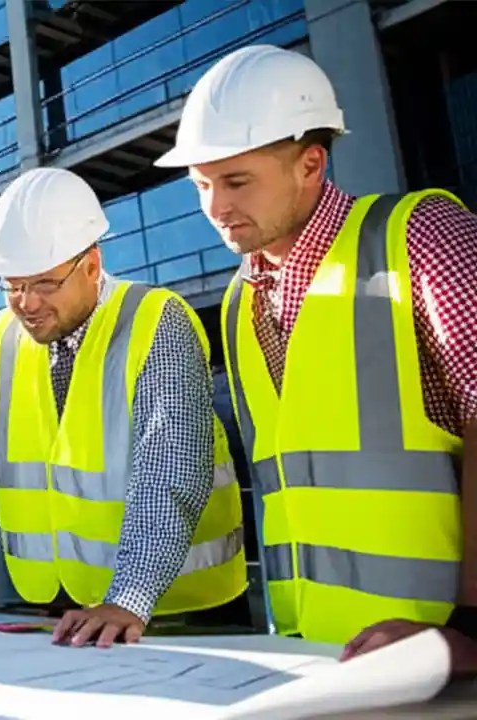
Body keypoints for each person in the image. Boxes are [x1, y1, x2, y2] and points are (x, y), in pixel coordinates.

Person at [151, 43, 477, 659]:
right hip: (311, 658)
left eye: (237, 181)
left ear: (311, 164)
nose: (215, 208)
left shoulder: (418, 236)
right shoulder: (239, 302)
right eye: (201, 185)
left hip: (439, 660)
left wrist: (472, 629)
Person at [0, 167, 248, 648]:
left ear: (92, 266)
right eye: (12, 285)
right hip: (58, 614)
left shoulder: (158, 321)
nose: (26, 303)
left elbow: (172, 470)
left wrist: (131, 595)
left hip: (177, 612)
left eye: (45, 284)